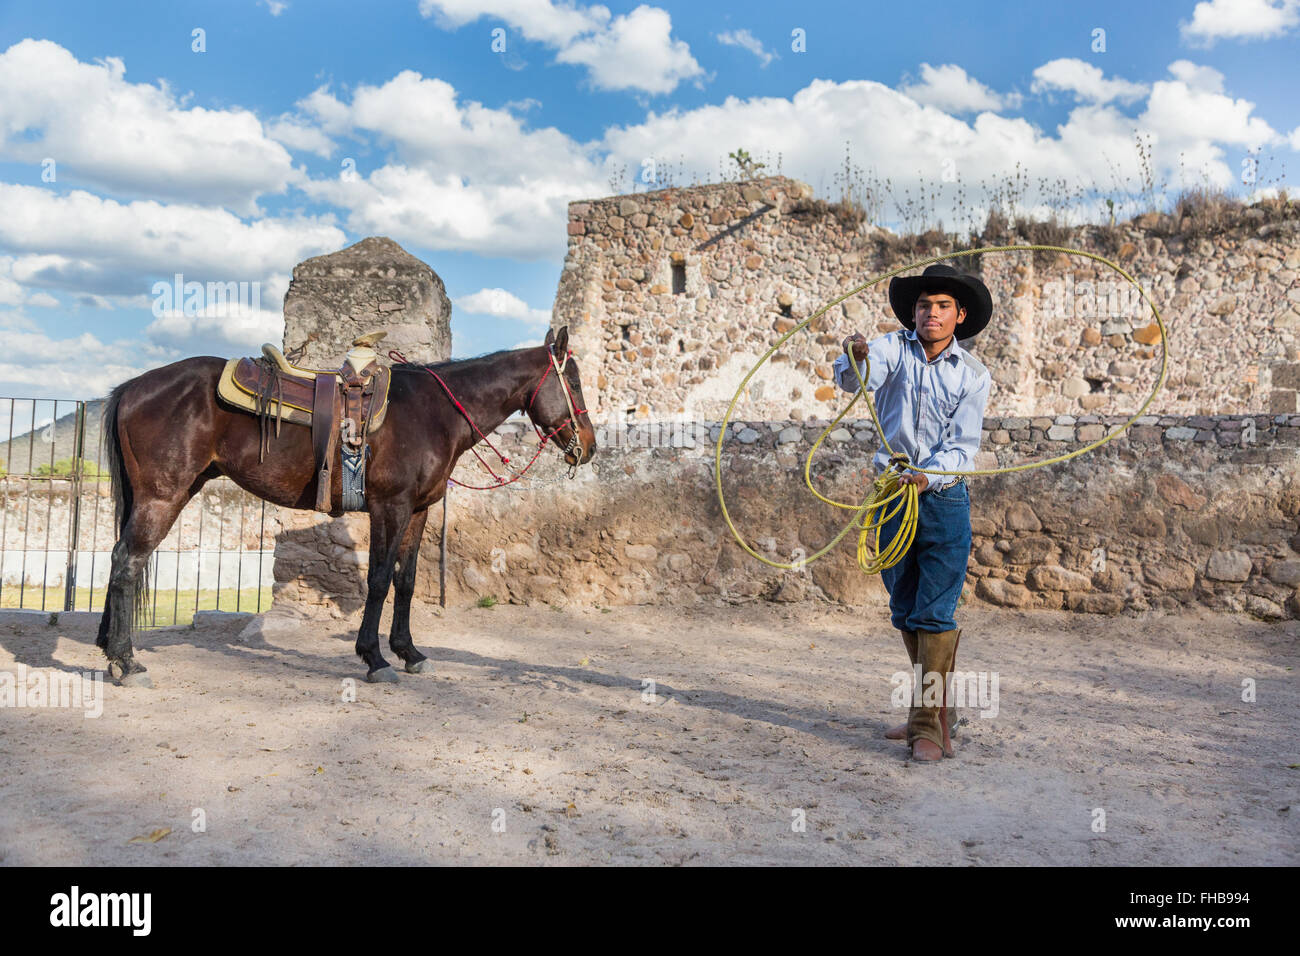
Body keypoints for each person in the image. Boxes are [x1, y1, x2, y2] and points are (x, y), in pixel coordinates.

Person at [831, 263, 993, 762]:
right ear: (914, 312)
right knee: (903, 605)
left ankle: (926, 723)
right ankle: (938, 713)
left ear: (959, 316)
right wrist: (855, 357)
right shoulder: (891, 348)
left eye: (943, 306)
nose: (932, 314)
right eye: (925, 305)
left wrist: (929, 475)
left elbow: (962, 448)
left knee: (935, 610)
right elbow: (853, 378)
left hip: (943, 500)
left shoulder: (973, 375)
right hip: (892, 496)